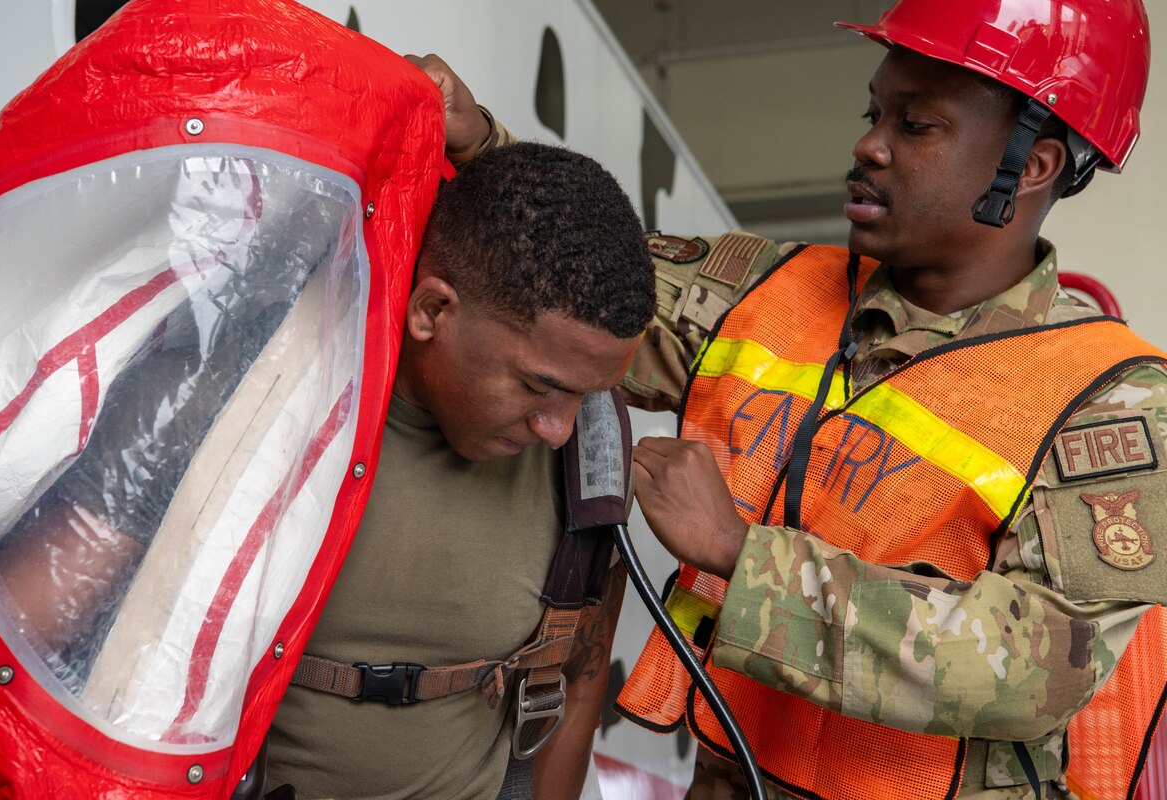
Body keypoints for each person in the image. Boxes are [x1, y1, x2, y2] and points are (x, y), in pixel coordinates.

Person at [424, 0, 1167, 797]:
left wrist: (739, 555)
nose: (868, 145)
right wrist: (483, 147)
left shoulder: (1114, 397)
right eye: (874, 112)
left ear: (1033, 166)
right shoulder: (764, 286)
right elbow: (580, 285)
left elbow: (1042, 667)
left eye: (915, 126)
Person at [264, 141, 656, 799]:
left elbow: (577, 682)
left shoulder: (591, 463)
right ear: (432, 312)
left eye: (586, 396)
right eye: (538, 385)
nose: (557, 428)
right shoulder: (275, 404)